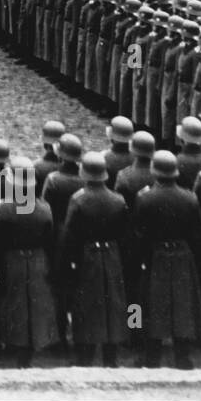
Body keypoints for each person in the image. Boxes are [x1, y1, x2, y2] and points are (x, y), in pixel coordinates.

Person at [130, 150, 201, 369]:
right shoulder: (190, 197)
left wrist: (139, 260)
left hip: (156, 256)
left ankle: (151, 356)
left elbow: (139, 234)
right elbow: (198, 235)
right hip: (183, 255)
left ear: (155, 171)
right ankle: (183, 357)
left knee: (153, 305)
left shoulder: (144, 197)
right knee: (183, 305)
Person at [56, 152, 128, 366]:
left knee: (87, 306)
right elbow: (125, 235)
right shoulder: (118, 200)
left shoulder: (78, 199)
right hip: (112, 256)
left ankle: (85, 357)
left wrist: (66, 264)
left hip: (87, 257)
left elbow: (69, 236)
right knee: (113, 305)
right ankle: (111, 356)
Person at [0, 156, 58, 367]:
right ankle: (28, 353)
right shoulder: (44, 208)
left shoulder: (3, 208)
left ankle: (14, 350)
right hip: (37, 261)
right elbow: (50, 240)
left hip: (12, 262)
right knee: (34, 307)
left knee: (14, 306)